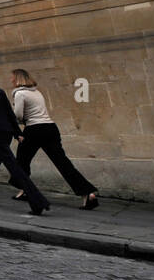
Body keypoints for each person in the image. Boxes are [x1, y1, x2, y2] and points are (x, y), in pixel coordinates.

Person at [10, 69, 100, 209]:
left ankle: (25, 190)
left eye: (13, 78)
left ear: (18, 79)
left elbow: (19, 116)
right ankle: (87, 193)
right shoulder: (37, 92)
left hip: (34, 129)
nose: (11, 81)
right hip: (50, 128)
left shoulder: (19, 93)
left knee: (21, 160)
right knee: (62, 163)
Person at [0, 66, 51, 215]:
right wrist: (17, 133)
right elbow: (9, 114)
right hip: (5, 132)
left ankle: (37, 202)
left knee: (14, 167)